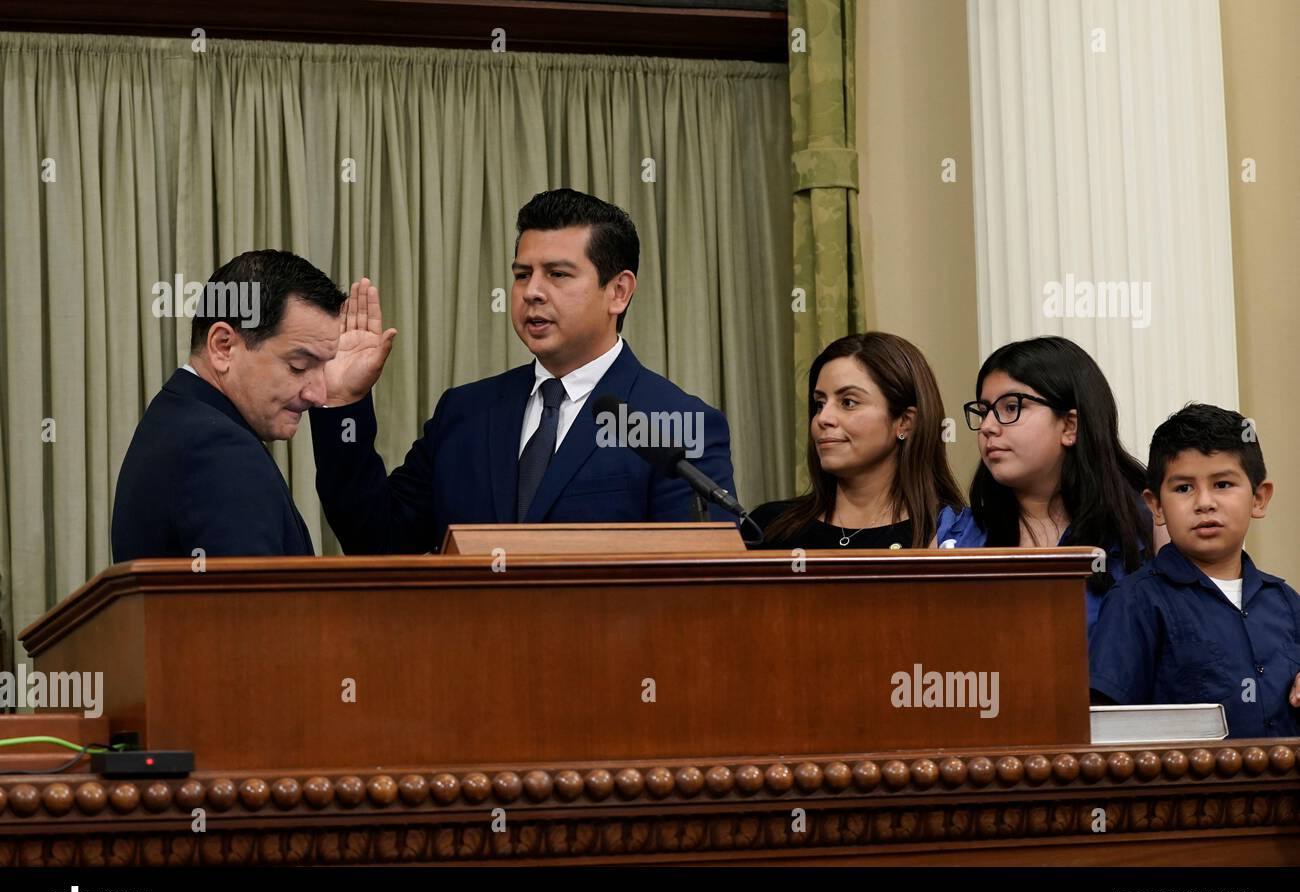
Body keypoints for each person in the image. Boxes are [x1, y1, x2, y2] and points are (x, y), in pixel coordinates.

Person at [310, 188, 736, 553]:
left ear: (618, 292)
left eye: (557, 274)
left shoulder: (675, 424)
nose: (532, 292)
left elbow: (692, 595)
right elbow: (378, 539)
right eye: (522, 274)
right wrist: (343, 404)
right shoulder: (465, 413)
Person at [112, 250, 346, 560]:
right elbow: (253, 607)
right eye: (299, 366)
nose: (318, 395)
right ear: (223, 347)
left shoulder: (177, 419)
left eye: (325, 368)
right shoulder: (216, 449)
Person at [1088, 404, 1300, 738]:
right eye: (1183, 488)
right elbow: (1105, 728)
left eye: (1223, 484)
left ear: (1259, 498)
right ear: (1156, 506)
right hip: (1184, 788)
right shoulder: (1136, 601)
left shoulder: (1287, 603)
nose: (1204, 502)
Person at [936, 336, 1158, 632]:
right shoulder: (955, 535)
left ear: (1069, 425)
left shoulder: (1147, 526)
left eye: (1010, 407)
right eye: (984, 410)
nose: (988, 426)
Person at [749, 332, 964, 550]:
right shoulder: (768, 526)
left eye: (848, 402)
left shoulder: (953, 533)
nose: (823, 418)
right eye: (820, 404)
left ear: (904, 422)